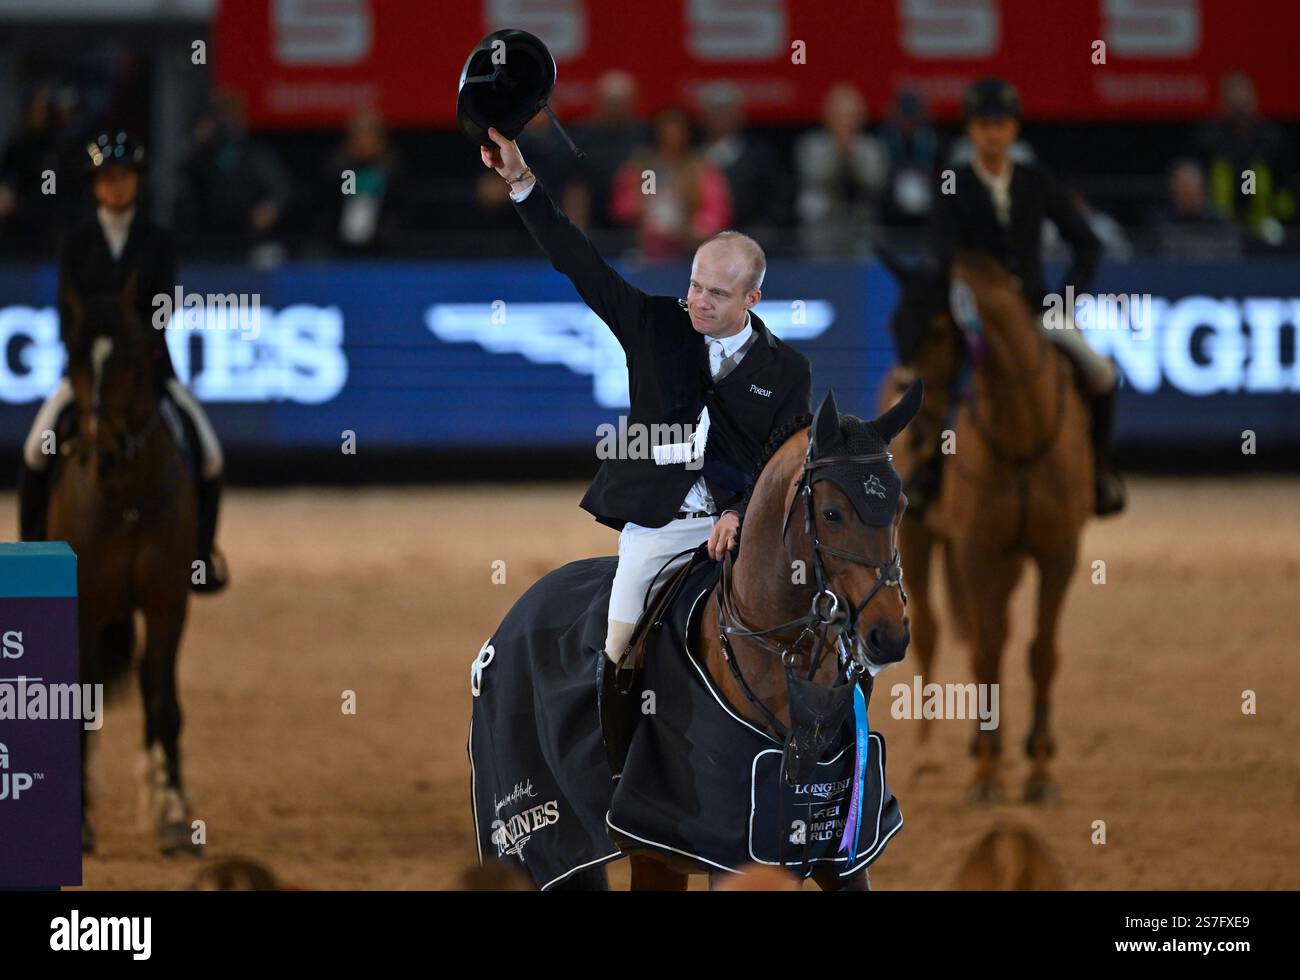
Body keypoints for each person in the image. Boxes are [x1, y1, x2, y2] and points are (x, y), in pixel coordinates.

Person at [478, 125, 811, 665]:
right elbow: (578, 261)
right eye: (695, 285)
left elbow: (787, 461)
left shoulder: (789, 369)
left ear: (753, 298)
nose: (699, 302)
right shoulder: (653, 324)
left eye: (718, 295)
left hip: (750, 532)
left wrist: (742, 513)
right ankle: (611, 747)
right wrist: (519, 179)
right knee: (618, 656)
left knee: (824, 628)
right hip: (660, 527)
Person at [18, 131, 229, 591]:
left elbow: (162, 310)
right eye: (108, 178)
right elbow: (66, 315)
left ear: (137, 182)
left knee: (209, 452)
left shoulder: (157, 242)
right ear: (95, 185)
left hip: (148, 370)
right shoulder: (75, 243)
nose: (117, 186)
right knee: (36, 450)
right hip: (87, 375)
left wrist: (137, 356)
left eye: (125, 177)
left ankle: (200, 556)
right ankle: (32, 561)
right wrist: (84, 363)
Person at [928, 78, 1125, 516]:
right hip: (974, 314)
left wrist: (1064, 299)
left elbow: (1088, 243)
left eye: (1000, 124)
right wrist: (961, 303)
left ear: (1014, 129)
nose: (992, 134)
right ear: (970, 131)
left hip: (1037, 311)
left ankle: (1097, 475)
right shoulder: (952, 181)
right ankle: (930, 478)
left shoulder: (1037, 181)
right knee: (940, 382)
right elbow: (943, 255)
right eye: (982, 125)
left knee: (1101, 376)